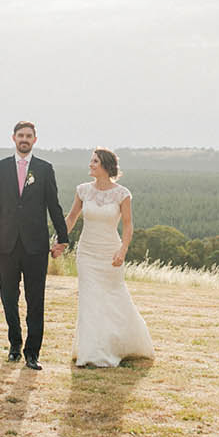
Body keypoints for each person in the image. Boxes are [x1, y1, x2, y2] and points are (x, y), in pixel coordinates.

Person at [0, 121, 69, 370]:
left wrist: (62, 238)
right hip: (6, 244)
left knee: (36, 300)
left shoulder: (44, 169)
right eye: (20, 135)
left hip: (36, 246)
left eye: (28, 136)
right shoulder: (0, 168)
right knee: (9, 298)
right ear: (13, 138)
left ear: (35, 139)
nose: (24, 139)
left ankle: (32, 352)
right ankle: (14, 345)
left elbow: (54, 205)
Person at [64, 147, 154, 368]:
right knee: (89, 299)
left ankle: (119, 344)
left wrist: (123, 249)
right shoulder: (82, 190)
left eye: (94, 161)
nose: (90, 165)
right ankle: (90, 352)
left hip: (110, 252)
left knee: (113, 297)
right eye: (91, 161)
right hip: (86, 253)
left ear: (105, 165)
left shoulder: (122, 194)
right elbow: (72, 217)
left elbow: (127, 224)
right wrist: (59, 239)